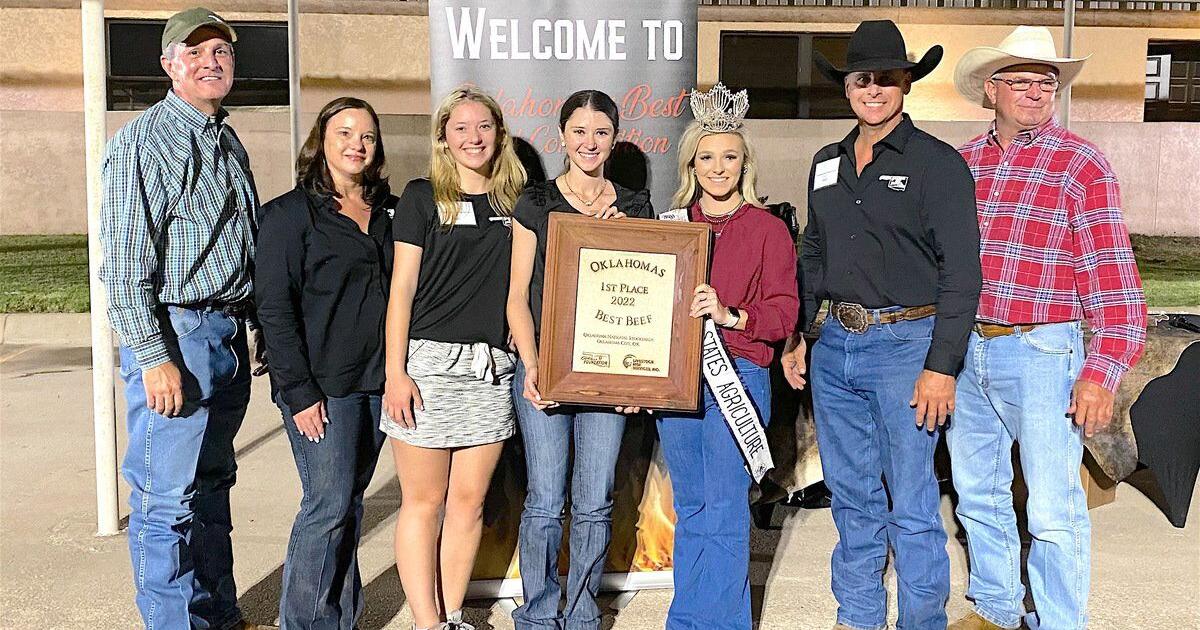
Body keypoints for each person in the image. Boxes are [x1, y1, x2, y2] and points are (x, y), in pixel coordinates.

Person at [946, 26, 1147, 630]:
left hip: (1043, 349)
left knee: (1054, 506)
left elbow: (1112, 275)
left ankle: (1060, 621)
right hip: (968, 349)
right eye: (1022, 81)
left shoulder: (1080, 163)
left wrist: (1101, 371)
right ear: (991, 90)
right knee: (977, 494)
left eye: (1047, 82)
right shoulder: (962, 165)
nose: (1036, 92)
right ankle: (996, 608)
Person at [786, 20, 982, 630]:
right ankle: (859, 616)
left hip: (907, 348)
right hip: (834, 347)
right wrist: (799, 333)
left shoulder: (938, 164)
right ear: (846, 87)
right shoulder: (826, 163)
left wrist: (941, 367)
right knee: (851, 497)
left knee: (913, 501)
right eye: (861, 79)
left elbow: (962, 274)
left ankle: (921, 621)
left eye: (886, 79)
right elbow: (813, 252)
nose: (873, 90)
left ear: (906, 84)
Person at [98, 8, 265, 629]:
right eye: (195, 52)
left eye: (221, 51)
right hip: (178, 335)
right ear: (169, 65)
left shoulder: (225, 139)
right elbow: (124, 270)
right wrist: (154, 358)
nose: (210, 62)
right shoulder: (143, 144)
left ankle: (217, 616)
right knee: (166, 501)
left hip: (225, 332)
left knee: (213, 486)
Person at [506, 89, 654, 630]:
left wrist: (637, 380)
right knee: (546, 498)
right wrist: (532, 364)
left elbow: (645, 297)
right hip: (545, 364)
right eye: (579, 131)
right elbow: (516, 297)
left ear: (614, 139)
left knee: (594, 500)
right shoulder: (537, 202)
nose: (590, 142)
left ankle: (583, 612)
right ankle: (538, 614)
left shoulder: (635, 206)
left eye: (601, 132)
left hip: (606, 368)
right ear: (562, 136)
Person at [381, 86, 527, 630]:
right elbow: (401, 290)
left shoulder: (517, 203)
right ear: (443, 137)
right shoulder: (422, 198)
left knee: (469, 503)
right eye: (460, 127)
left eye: (483, 126)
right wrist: (395, 373)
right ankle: (426, 621)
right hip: (426, 367)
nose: (473, 137)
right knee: (424, 502)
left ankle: (453, 615)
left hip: (489, 370)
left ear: (499, 134)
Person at [656, 83, 799, 630]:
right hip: (677, 381)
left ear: (745, 164)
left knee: (723, 506)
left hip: (736, 374)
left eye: (730, 157)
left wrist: (731, 314)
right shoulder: (671, 228)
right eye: (707, 157)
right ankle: (688, 620)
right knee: (690, 506)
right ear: (691, 164)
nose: (719, 168)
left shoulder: (769, 229)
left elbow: (784, 312)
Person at [255, 97, 394, 630]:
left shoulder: (389, 211)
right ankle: (305, 622)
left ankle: (339, 617)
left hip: (378, 382)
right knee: (327, 504)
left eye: (367, 136)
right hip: (322, 387)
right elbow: (274, 310)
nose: (357, 144)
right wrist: (299, 393)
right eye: (345, 133)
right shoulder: (290, 216)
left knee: (349, 503)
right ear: (322, 141)